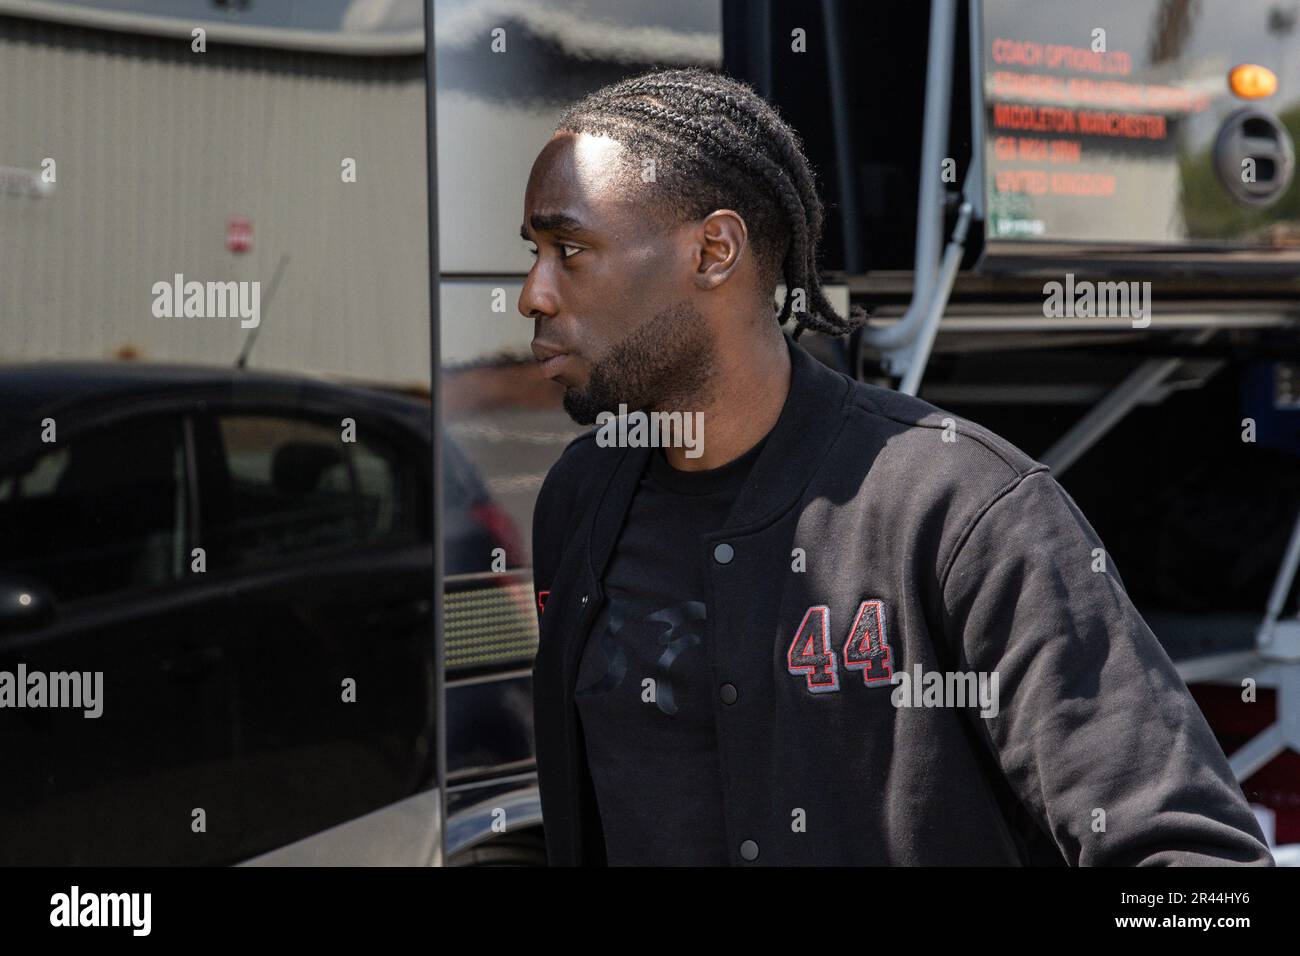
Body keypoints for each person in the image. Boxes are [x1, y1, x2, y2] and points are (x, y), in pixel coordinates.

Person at [519, 66, 1272, 866]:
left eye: (571, 250)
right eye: (532, 253)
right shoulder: (581, 501)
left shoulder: (963, 508)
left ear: (714, 250)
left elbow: (1197, 864)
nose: (532, 293)